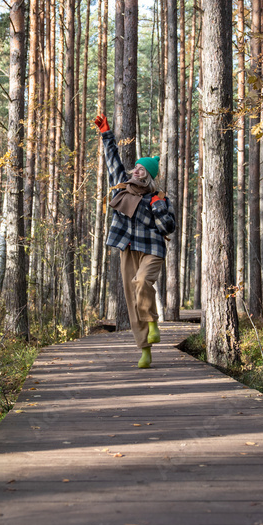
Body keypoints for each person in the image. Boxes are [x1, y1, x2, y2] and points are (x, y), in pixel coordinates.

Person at [94, 113, 176, 368]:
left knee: (142, 282)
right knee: (132, 296)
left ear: (148, 175)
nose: (137, 169)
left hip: (152, 248)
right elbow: (112, 160)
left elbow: (169, 227)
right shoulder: (121, 186)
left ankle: (152, 322)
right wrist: (105, 133)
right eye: (137, 166)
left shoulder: (159, 196)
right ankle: (145, 348)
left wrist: (158, 207)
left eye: (143, 169)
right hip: (128, 248)